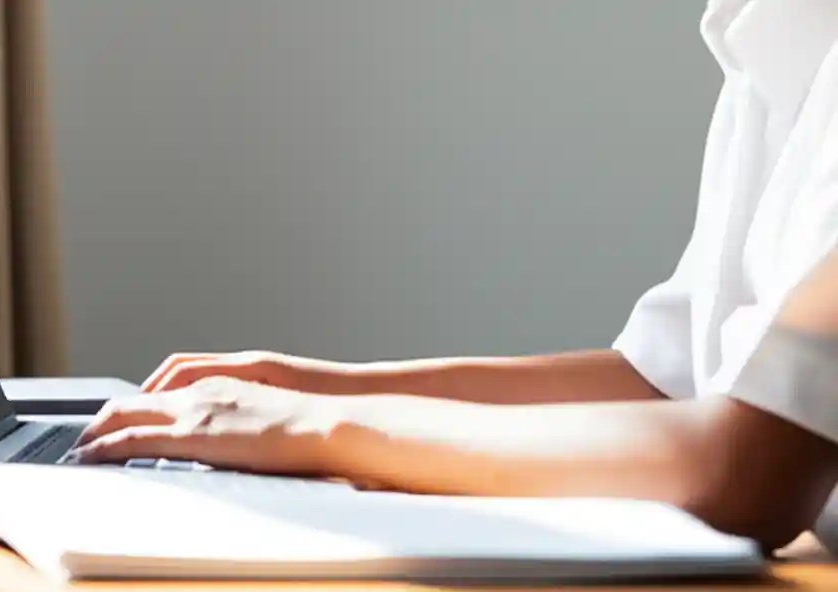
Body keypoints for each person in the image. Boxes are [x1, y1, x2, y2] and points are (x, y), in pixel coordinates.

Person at [72, 0, 838, 552]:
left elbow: (748, 470)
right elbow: (668, 385)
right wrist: (310, 389)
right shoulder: (773, 36)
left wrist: (317, 429)